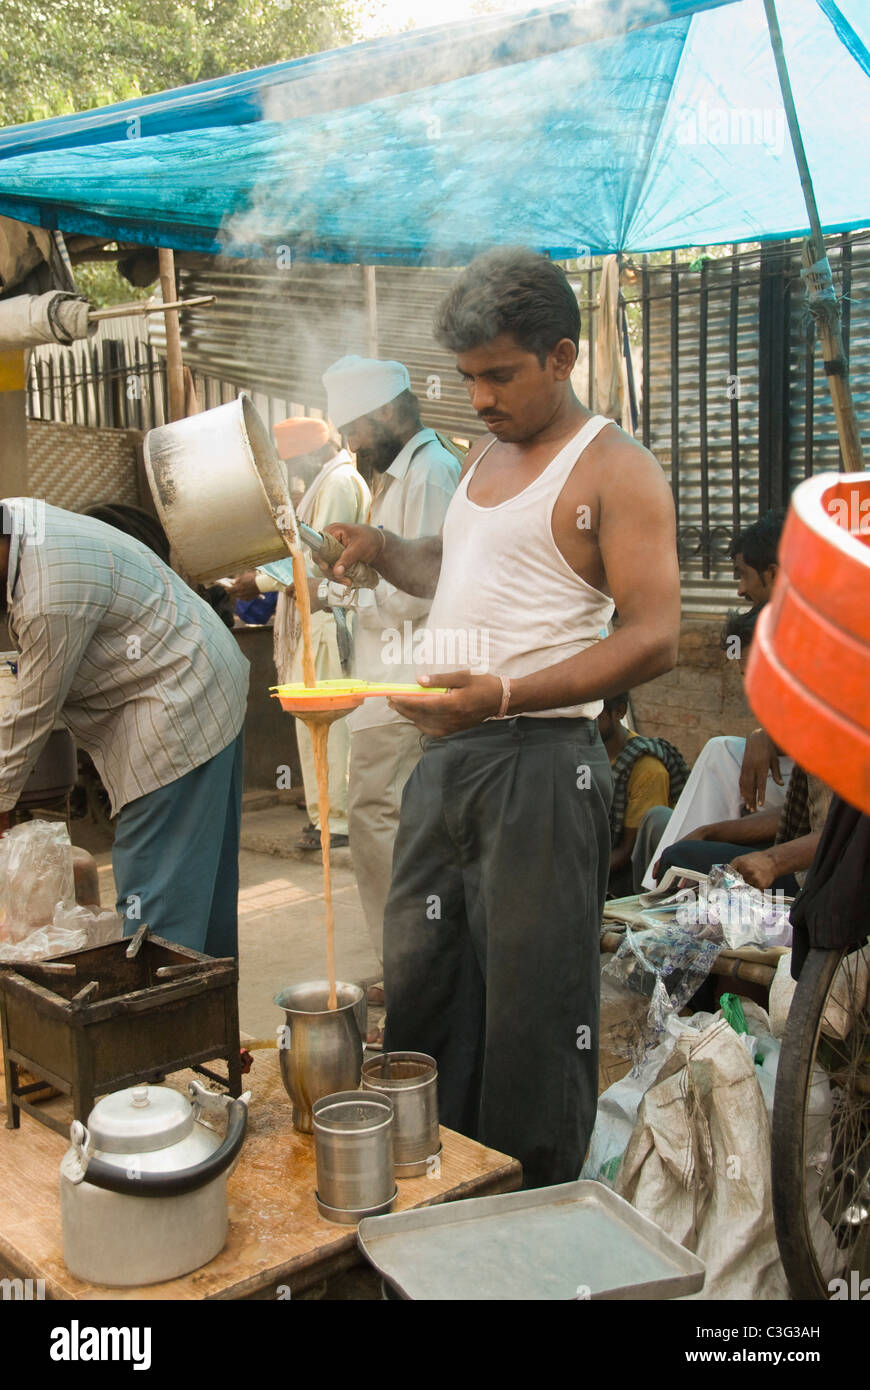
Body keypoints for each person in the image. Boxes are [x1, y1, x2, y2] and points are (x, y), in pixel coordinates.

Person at [320, 247, 680, 1186]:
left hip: (540, 765)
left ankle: (538, 1215)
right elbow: (461, 569)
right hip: (448, 763)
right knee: (429, 989)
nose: (479, 398)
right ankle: (446, 1191)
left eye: (500, 376)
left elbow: (655, 637)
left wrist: (510, 693)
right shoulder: (484, 454)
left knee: (532, 1012)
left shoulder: (615, 468)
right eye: (468, 377)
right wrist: (386, 548)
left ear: (561, 357)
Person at [0, 498, 250, 956]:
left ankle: (157, 1016)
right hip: (208, 679)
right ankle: (206, 1017)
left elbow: (31, 716)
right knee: (202, 891)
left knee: (153, 912)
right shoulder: (21, 517)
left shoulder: (47, 595)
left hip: (178, 705)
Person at [319, 355, 461, 1018]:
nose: (349, 444)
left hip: (407, 682)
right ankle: (404, 970)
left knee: (387, 833)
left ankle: (411, 977)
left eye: (353, 429)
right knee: (379, 833)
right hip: (386, 682)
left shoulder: (432, 470)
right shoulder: (402, 472)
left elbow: (420, 592)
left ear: (384, 414)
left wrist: (352, 596)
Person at [229, 417, 371, 851]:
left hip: (330, 620)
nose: (296, 473)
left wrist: (260, 581)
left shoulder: (340, 483)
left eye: (297, 464)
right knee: (316, 725)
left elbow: (320, 560)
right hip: (316, 621)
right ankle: (325, 818)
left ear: (313, 454)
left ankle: (338, 822)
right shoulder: (328, 483)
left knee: (329, 727)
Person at [597, 692, 688, 897]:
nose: (587, 725)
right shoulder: (588, 753)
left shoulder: (646, 768)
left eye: (596, 716)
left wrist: (579, 874)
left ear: (619, 712)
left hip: (629, 874)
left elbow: (627, 852)